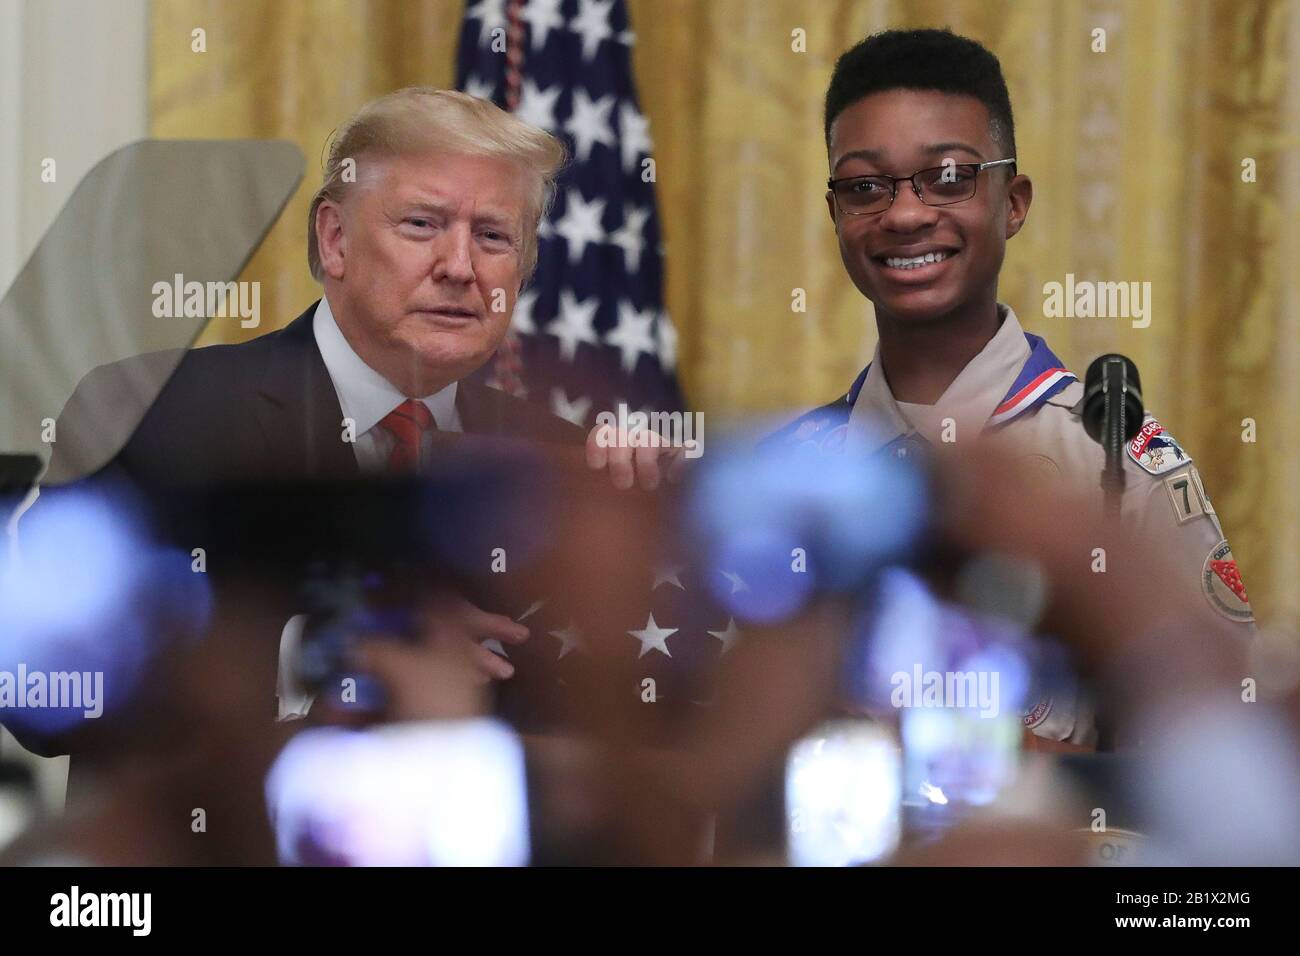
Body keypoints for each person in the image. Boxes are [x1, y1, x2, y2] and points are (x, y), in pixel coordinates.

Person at [587, 29, 1254, 746]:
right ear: (837, 212)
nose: (905, 215)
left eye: (949, 177)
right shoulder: (787, 474)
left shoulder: (1118, 464)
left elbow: (1233, 745)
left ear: (1014, 202)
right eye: (866, 186)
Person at [45, 88, 581, 490]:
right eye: (421, 224)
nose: (460, 267)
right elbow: (63, 628)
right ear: (336, 239)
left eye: (492, 235)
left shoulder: (560, 458)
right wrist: (317, 643)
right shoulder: (149, 415)